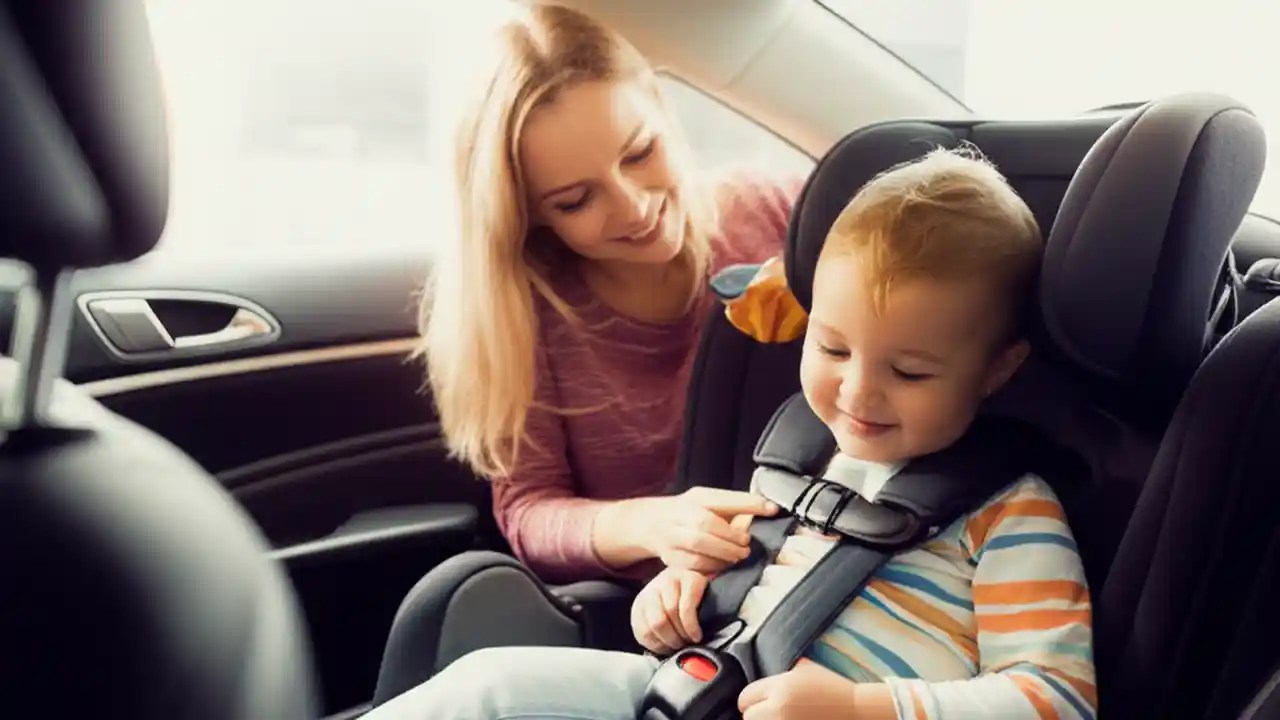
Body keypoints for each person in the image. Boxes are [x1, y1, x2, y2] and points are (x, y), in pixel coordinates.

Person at [368, 147, 1097, 719]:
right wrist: (679, 594)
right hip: (694, 691)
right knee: (492, 687)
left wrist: (859, 710)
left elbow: (1054, 698)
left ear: (998, 369)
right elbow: (750, 588)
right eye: (833, 348)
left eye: (909, 371)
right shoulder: (805, 459)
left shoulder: (1011, 513)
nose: (857, 390)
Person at [421, 3, 800, 585]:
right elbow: (529, 509)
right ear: (531, 215)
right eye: (576, 200)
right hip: (664, 615)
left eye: (640, 152)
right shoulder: (526, 315)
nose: (634, 207)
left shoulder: (777, 210)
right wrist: (650, 525)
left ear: (659, 104)